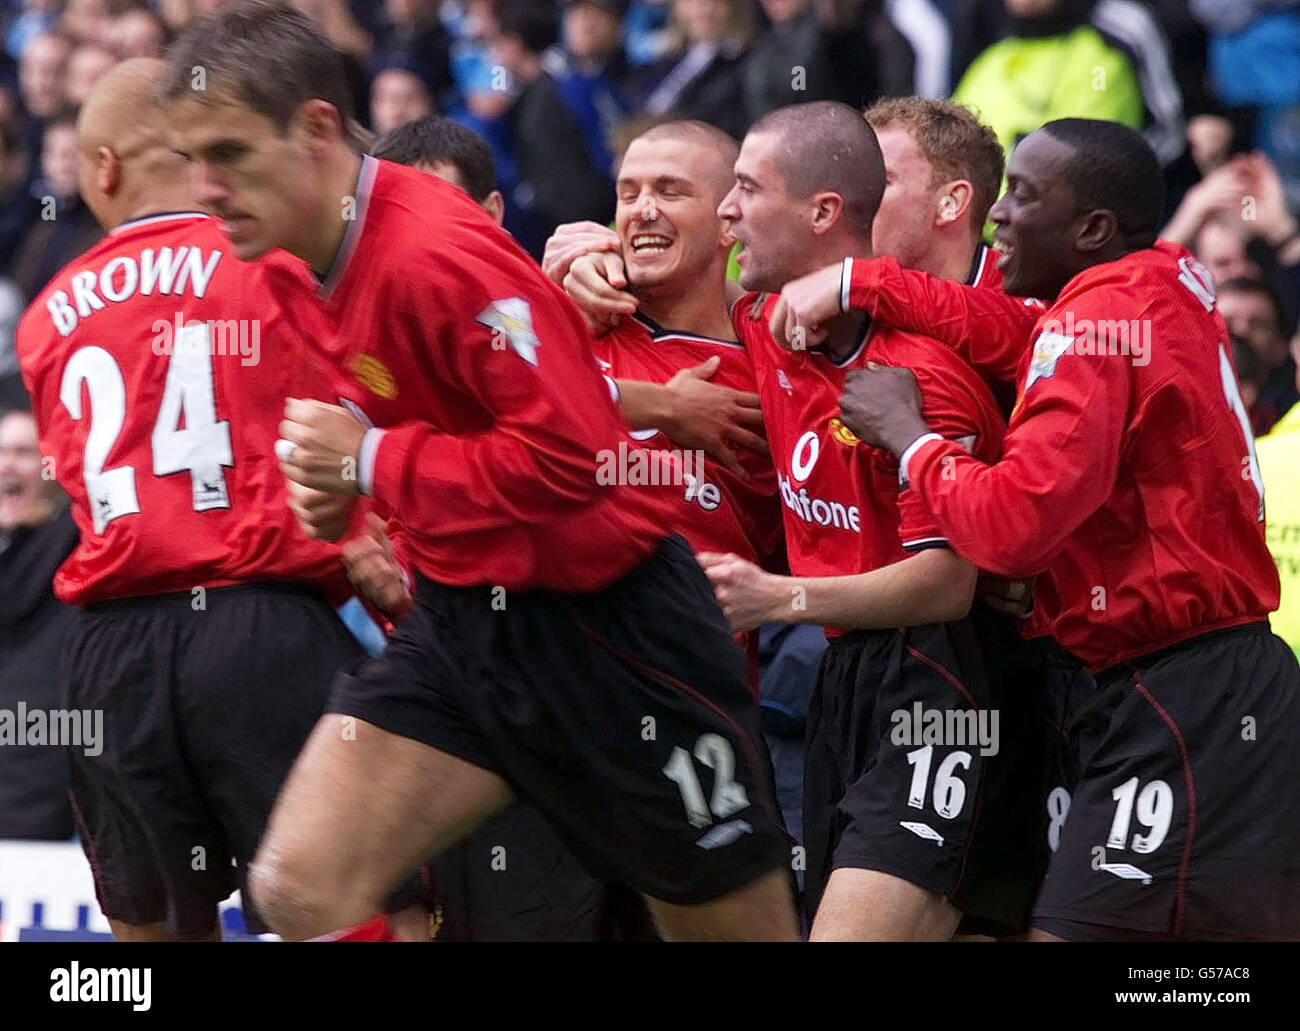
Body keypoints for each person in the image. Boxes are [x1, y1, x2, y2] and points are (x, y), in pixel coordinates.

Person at [161, 0, 797, 943]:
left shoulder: (438, 253)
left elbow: (575, 456)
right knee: (296, 886)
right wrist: (340, 499)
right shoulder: (275, 259)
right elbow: (370, 427)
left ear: (318, 129)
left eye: (230, 154)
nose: (206, 187)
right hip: (463, 627)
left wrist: (369, 461)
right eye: (190, 159)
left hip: (615, 632)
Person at [833, 118, 1300, 940]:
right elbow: (1019, 333)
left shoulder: (1091, 328)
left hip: (1177, 690)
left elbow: (1009, 528)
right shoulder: (1164, 281)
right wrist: (867, 283)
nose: (999, 215)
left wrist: (910, 437)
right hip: (1210, 681)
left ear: (1090, 229)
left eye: (1024, 195)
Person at [14, 58, 385, 941]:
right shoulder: (276, 262)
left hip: (108, 650)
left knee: (148, 931)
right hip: (259, 624)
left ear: (101, 170)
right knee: (360, 904)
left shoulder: (45, 314)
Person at [0, 403, 76, 841]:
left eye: (24, 452)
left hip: (40, 797)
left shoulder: (78, 544)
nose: (9, 463)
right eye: (1, 451)